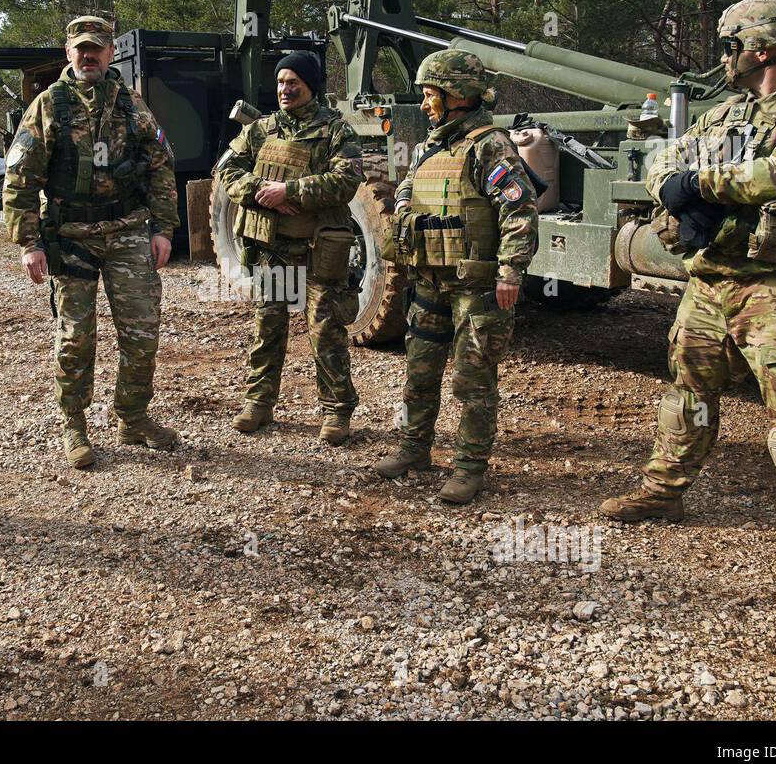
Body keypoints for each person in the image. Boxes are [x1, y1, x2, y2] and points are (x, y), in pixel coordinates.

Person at [600, 0, 776, 599]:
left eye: (729, 45)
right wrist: (673, 183)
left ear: (762, 48)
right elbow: (664, 160)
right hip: (711, 282)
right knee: (686, 396)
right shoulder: (724, 115)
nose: (722, 58)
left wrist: (697, 185)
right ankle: (664, 492)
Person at [3, 15, 180, 468]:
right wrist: (29, 242)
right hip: (70, 237)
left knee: (142, 334)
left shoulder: (132, 104)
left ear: (110, 53)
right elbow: (20, 178)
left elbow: (160, 165)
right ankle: (74, 426)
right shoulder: (48, 105)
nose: (88, 56)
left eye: (96, 48)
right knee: (75, 338)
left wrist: (163, 228)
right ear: (68, 53)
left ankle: (133, 417)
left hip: (126, 233)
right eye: (80, 48)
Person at [374, 49, 538, 503]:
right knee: (418, 373)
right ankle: (413, 448)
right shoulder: (432, 145)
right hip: (430, 282)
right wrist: (404, 209)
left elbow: (519, 211)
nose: (425, 104)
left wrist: (510, 271)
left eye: (431, 95)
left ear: (457, 95)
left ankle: (469, 467)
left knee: (473, 380)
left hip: (476, 286)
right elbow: (408, 187)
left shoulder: (490, 145)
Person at [216, 51, 363, 445]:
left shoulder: (336, 130)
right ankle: (258, 402)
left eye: (293, 81)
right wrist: (264, 194)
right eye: (281, 82)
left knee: (325, 330)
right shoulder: (261, 130)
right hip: (274, 248)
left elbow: (347, 180)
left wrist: (293, 190)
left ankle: (336, 410)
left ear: (310, 85)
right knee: (269, 327)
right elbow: (226, 169)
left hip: (318, 248)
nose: (285, 89)